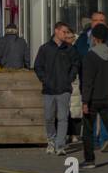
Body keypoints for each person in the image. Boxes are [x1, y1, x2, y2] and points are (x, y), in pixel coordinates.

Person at [79, 23, 108, 169]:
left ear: (95, 38)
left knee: (88, 129)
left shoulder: (90, 56)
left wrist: (85, 101)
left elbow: (87, 81)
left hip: (93, 99)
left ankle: (90, 159)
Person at [33, 22, 78, 156]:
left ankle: (60, 145)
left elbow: (76, 64)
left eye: (67, 32)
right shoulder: (45, 48)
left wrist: (70, 77)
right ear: (56, 31)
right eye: (64, 32)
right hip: (49, 89)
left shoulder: (69, 49)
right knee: (49, 117)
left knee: (63, 117)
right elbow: (38, 66)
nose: (66, 35)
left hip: (64, 88)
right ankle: (51, 141)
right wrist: (44, 79)